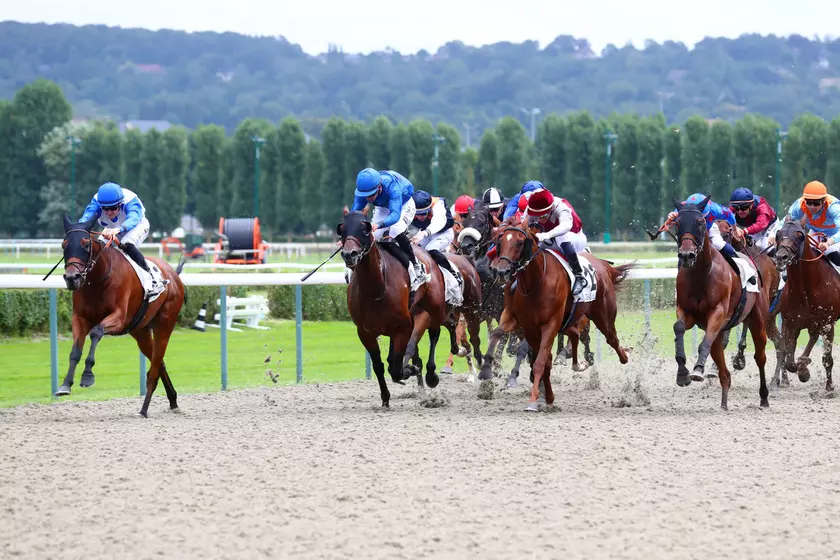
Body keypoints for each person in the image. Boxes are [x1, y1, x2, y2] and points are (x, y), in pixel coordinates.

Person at [349, 167, 431, 292]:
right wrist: (350, 233)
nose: (368, 199)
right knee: (371, 235)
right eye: (365, 196)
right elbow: (354, 213)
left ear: (379, 188)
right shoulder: (364, 192)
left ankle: (416, 265)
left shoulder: (393, 188)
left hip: (403, 205)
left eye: (371, 195)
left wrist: (379, 224)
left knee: (395, 230)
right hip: (383, 207)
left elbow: (394, 215)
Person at [78, 182, 166, 294]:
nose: (109, 212)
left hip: (137, 225)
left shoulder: (130, 200)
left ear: (120, 203)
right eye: (105, 209)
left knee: (126, 243)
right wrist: (78, 228)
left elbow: (133, 218)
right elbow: (86, 217)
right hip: (112, 229)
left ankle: (153, 278)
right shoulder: (96, 201)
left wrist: (118, 229)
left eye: (113, 208)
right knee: (99, 249)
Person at [523, 189, 589, 296]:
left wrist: (546, 235)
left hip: (574, 238)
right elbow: (524, 225)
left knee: (560, 237)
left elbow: (565, 226)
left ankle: (579, 276)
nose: (540, 219)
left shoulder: (561, 206)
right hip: (549, 240)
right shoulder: (531, 209)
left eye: (543, 216)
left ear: (551, 208)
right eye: (537, 216)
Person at [667, 192, 739, 274]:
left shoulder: (715, 209)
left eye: (704, 216)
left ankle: (738, 261)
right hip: (691, 231)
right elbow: (673, 217)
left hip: (709, 228)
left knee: (718, 243)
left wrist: (735, 230)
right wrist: (671, 216)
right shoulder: (683, 207)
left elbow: (730, 215)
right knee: (684, 249)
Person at [410, 190, 463, 287]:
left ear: (430, 208)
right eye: (418, 214)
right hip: (426, 233)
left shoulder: (438, 205)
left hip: (444, 233)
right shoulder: (409, 207)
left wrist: (423, 234)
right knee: (414, 250)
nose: (420, 217)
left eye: (424, 213)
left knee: (430, 249)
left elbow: (438, 223)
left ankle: (453, 273)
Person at [786, 180, 840, 267]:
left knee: (830, 251)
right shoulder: (798, 206)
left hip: (836, 235)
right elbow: (786, 223)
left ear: (823, 201)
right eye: (809, 202)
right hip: (815, 232)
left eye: (816, 203)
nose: (812, 207)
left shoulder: (833, 207)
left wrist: (829, 242)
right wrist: (775, 235)